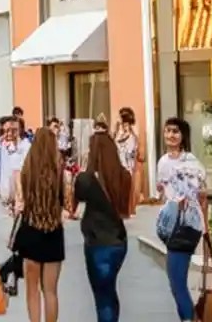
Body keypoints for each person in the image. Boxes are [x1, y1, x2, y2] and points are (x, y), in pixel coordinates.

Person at [73, 129, 131, 322]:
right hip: (119, 240)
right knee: (110, 290)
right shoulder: (123, 176)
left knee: (102, 296)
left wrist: (84, 167)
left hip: (97, 242)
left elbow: (76, 199)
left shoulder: (86, 179)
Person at [156, 117, 209, 322]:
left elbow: (202, 196)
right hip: (172, 226)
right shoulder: (163, 162)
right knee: (176, 282)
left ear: (183, 136)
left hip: (187, 225)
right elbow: (163, 192)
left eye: (175, 131)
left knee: (177, 283)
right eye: (168, 130)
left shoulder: (192, 162)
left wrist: (206, 228)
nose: (170, 135)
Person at [12, 127, 65, 322]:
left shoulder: (27, 170)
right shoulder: (59, 172)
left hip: (31, 229)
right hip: (53, 231)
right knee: (50, 291)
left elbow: (20, 199)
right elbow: (64, 201)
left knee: (32, 290)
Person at [114, 107, 145, 217]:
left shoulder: (132, 131)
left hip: (127, 161)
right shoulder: (119, 130)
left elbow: (134, 146)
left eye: (119, 116)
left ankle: (129, 208)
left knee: (129, 184)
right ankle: (123, 209)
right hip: (120, 160)